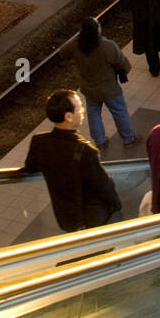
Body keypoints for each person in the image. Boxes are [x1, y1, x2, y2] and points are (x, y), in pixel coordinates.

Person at [24, 90, 121, 232]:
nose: (82, 111)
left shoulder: (39, 142)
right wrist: (117, 207)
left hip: (65, 218)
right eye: (79, 107)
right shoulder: (86, 152)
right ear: (68, 117)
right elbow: (104, 187)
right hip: (93, 220)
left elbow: (30, 168)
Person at [71, 16, 140, 150]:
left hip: (88, 87)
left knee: (93, 113)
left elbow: (63, 53)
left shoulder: (76, 45)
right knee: (119, 112)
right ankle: (128, 138)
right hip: (109, 89)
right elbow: (123, 63)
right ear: (97, 30)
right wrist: (124, 71)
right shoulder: (107, 46)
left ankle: (100, 142)